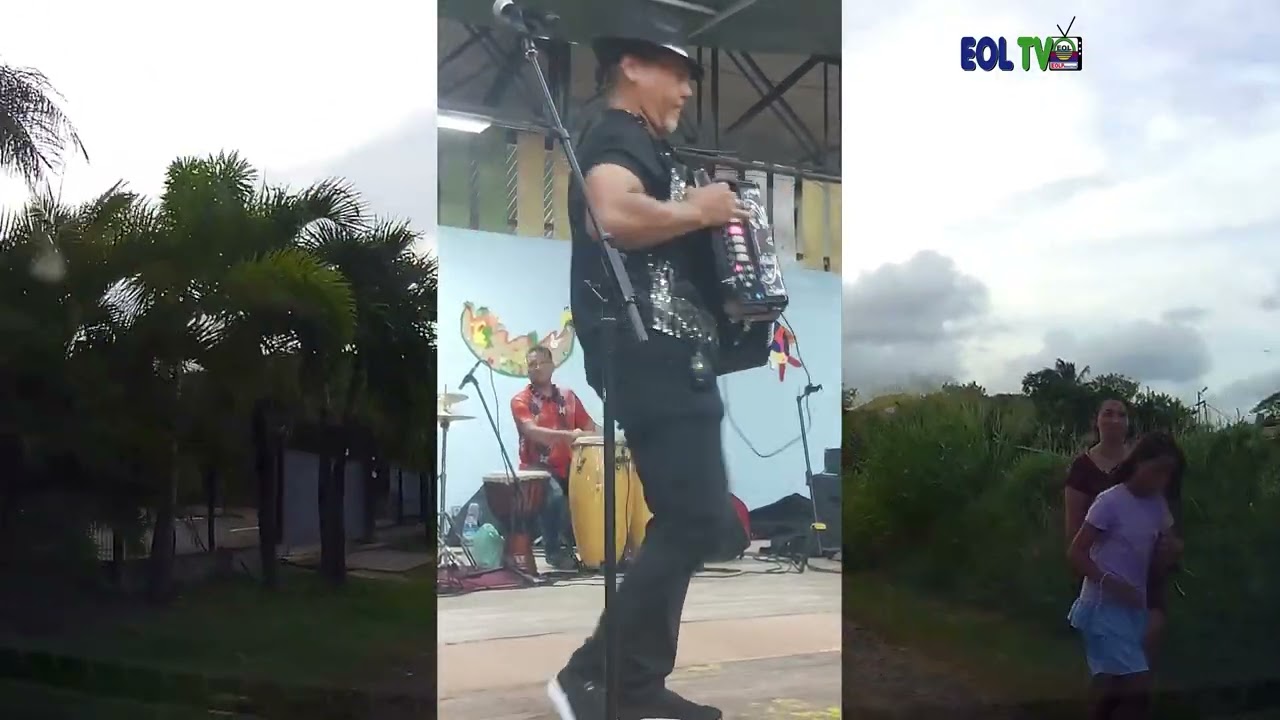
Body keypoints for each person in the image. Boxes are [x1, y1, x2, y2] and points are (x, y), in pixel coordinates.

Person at [548, 7, 752, 720]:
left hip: (670, 355)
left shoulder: (642, 145)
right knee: (697, 519)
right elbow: (611, 216)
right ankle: (597, 679)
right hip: (650, 354)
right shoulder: (616, 133)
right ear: (631, 65)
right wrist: (701, 212)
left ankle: (624, 683)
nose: (688, 90)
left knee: (694, 519)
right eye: (677, 72)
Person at [1066, 432, 1186, 720]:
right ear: (1139, 463)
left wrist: (1172, 551)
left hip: (1134, 607)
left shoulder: (1157, 505)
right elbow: (1076, 553)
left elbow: (1161, 556)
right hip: (1102, 605)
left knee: (1115, 686)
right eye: (1157, 470)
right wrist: (1112, 584)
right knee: (1133, 683)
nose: (1161, 480)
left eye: (1168, 474)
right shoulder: (1110, 502)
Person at [1064, 399, 1182, 659]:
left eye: (1122, 415)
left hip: (1145, 566)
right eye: (1108, 414)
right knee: (1111, 656)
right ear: (1096, 420)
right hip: (1104, 568)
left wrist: (1169, 549)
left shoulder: (1148, 461)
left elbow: (1163, 518)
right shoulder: (1083, 469)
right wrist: (1098, 574)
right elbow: (1074, 530)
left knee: (1146, 643)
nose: (1115, 420)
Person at [510, 346, 598, 571]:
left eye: (542, 362)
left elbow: (590, 427)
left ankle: (599, 550)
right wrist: (569, 436)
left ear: (552, 365)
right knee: (555, 494)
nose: (537, 367)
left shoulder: (568, 397)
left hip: (570, 466)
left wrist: (614, 439)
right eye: (532, 364)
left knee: (599, 489)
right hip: (536, 469)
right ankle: (554, 551)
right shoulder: (520, 400)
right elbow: (532, 432)